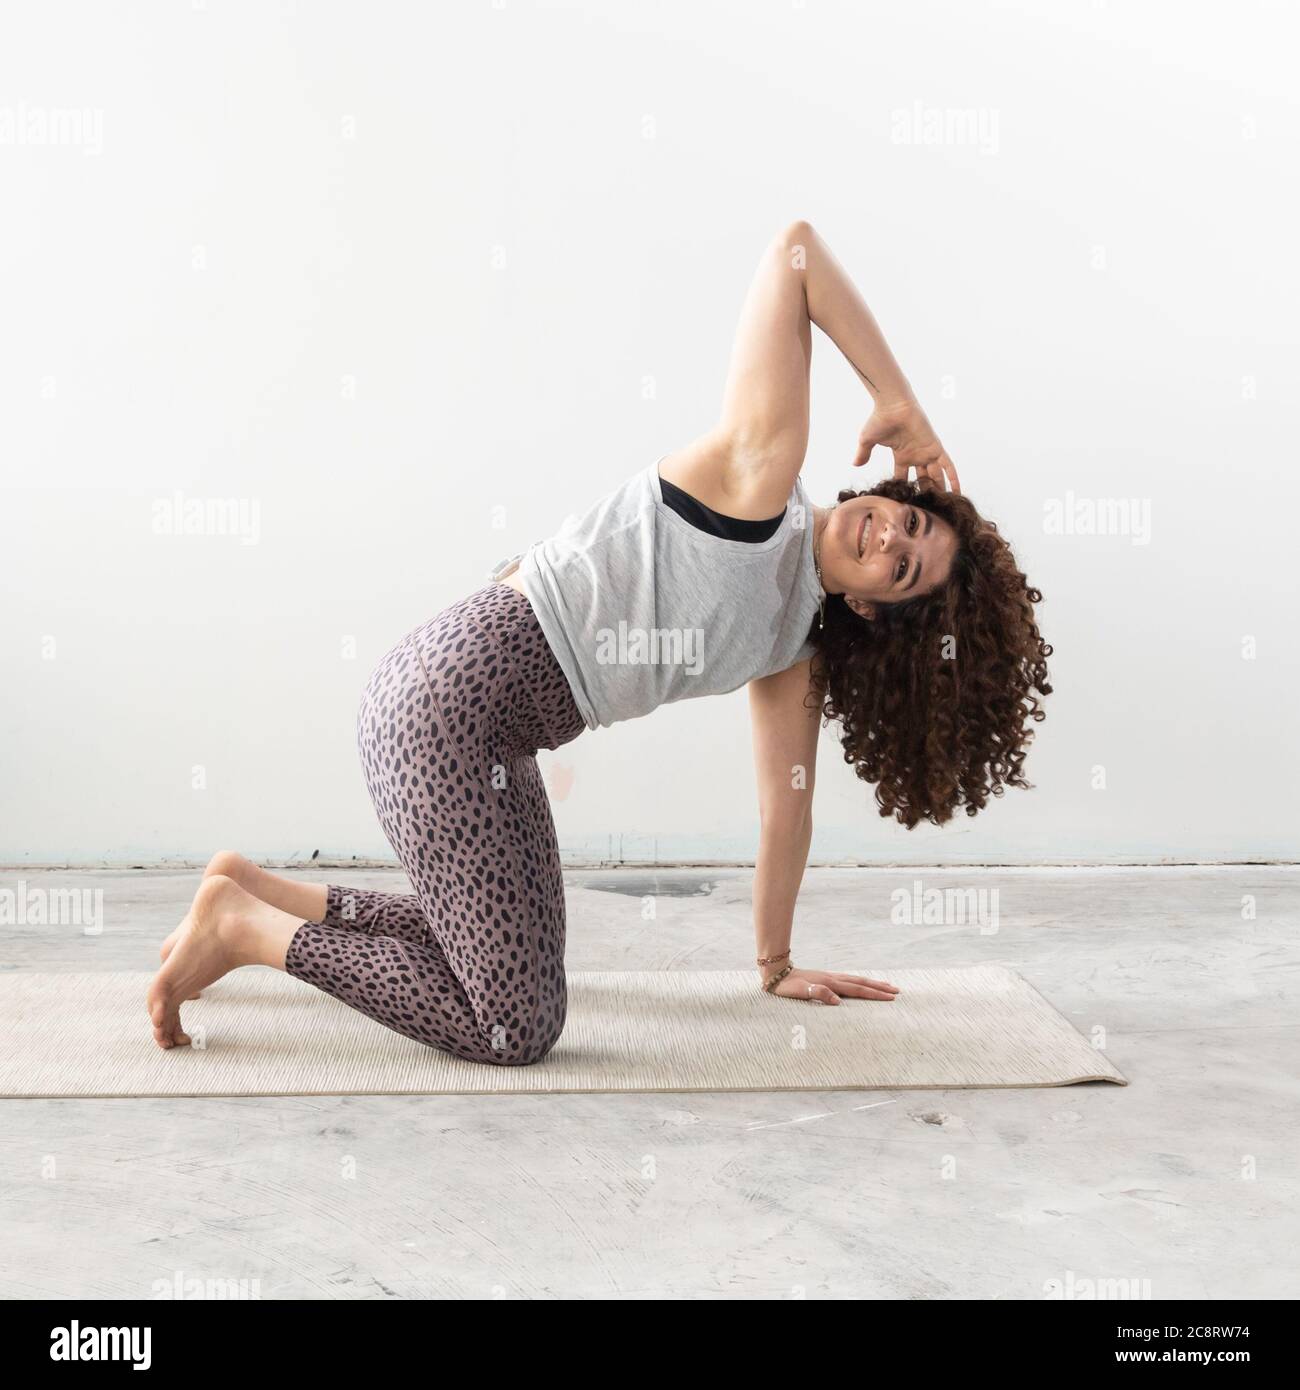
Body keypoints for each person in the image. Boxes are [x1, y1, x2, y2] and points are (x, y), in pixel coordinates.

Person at [148, 221, 1051, 1066]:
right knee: (512, 1022)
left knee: (498, 949)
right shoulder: (758, 484)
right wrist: (898, 397)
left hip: (493, 730)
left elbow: (788, 808)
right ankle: (246, 933)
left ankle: (259, 893)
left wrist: (775, 965)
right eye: (907, 522)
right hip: (450, 702)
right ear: (890, 497)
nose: (890, 539)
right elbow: (796, 253)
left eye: (904, 571)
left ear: (872, 614)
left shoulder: (793, 639)